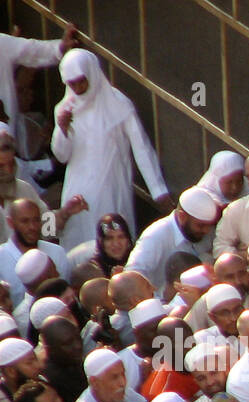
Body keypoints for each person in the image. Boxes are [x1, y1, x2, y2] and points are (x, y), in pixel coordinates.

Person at [52, 49, 169, 251]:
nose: (78, 87)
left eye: (82, 81)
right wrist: (62, 129)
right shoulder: (65, 109)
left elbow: (141, 147)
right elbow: (62, 156)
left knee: (114, 241)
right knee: (80, 245)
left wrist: (158, 190)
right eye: (72, 83)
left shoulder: (118, 103)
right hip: (79, 189)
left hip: (111, 184)